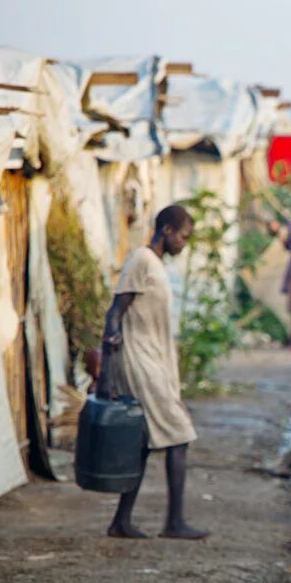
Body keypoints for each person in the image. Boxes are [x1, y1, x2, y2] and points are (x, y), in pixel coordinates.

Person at [98, 205, 208, 540]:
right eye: (183, 236)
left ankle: (121, 521)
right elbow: (114, 313)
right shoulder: (142, 261)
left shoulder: (154, 264)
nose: (184, 244)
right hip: (139, 360)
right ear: (167, 230)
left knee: (143, 441)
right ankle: (174, 522)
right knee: (180, 434)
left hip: (154, 360)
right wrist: (106, 371)